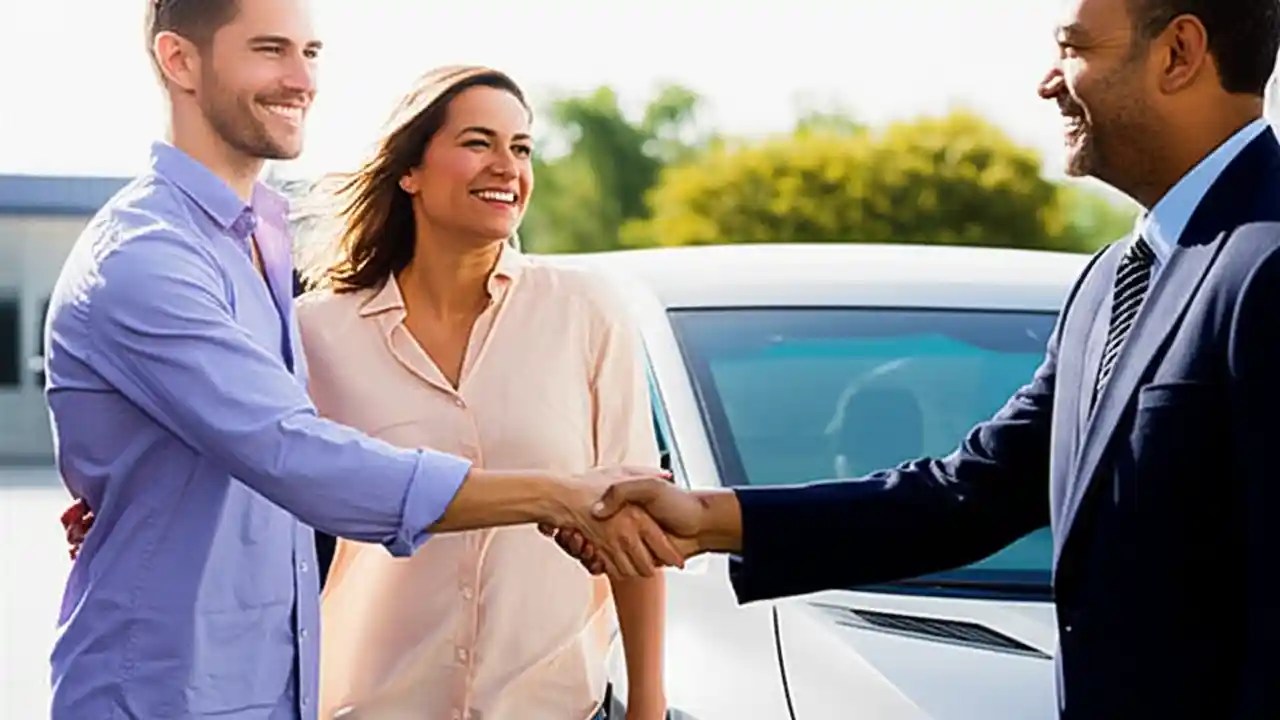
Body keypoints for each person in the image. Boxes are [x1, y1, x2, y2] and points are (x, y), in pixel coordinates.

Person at [556, 0, 1280, 718]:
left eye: (1073, 48)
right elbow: (971, 495)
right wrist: (706, 518)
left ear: (1178, 53)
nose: (1048, 81)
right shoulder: (1108, 280)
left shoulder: (1269, 261)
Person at [46, 1, 673, 718]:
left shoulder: (259, 250)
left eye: (311, 52)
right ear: (179, 60)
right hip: (168, 693)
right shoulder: (152, 260)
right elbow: (298, 458)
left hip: (280, 692)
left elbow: (246, 462)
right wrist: (559, 493)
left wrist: (140, 501)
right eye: (271, 50)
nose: (301, 79)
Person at [292, 65, 666, 720]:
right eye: (478, 142)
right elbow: (251, 479)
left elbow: (632, 523)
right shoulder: (317, 331)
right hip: (371, 704)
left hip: (552, 707)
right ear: (409, 170)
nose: (507, 167)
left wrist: (648, 707)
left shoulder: (585, 310)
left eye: (521, 148)